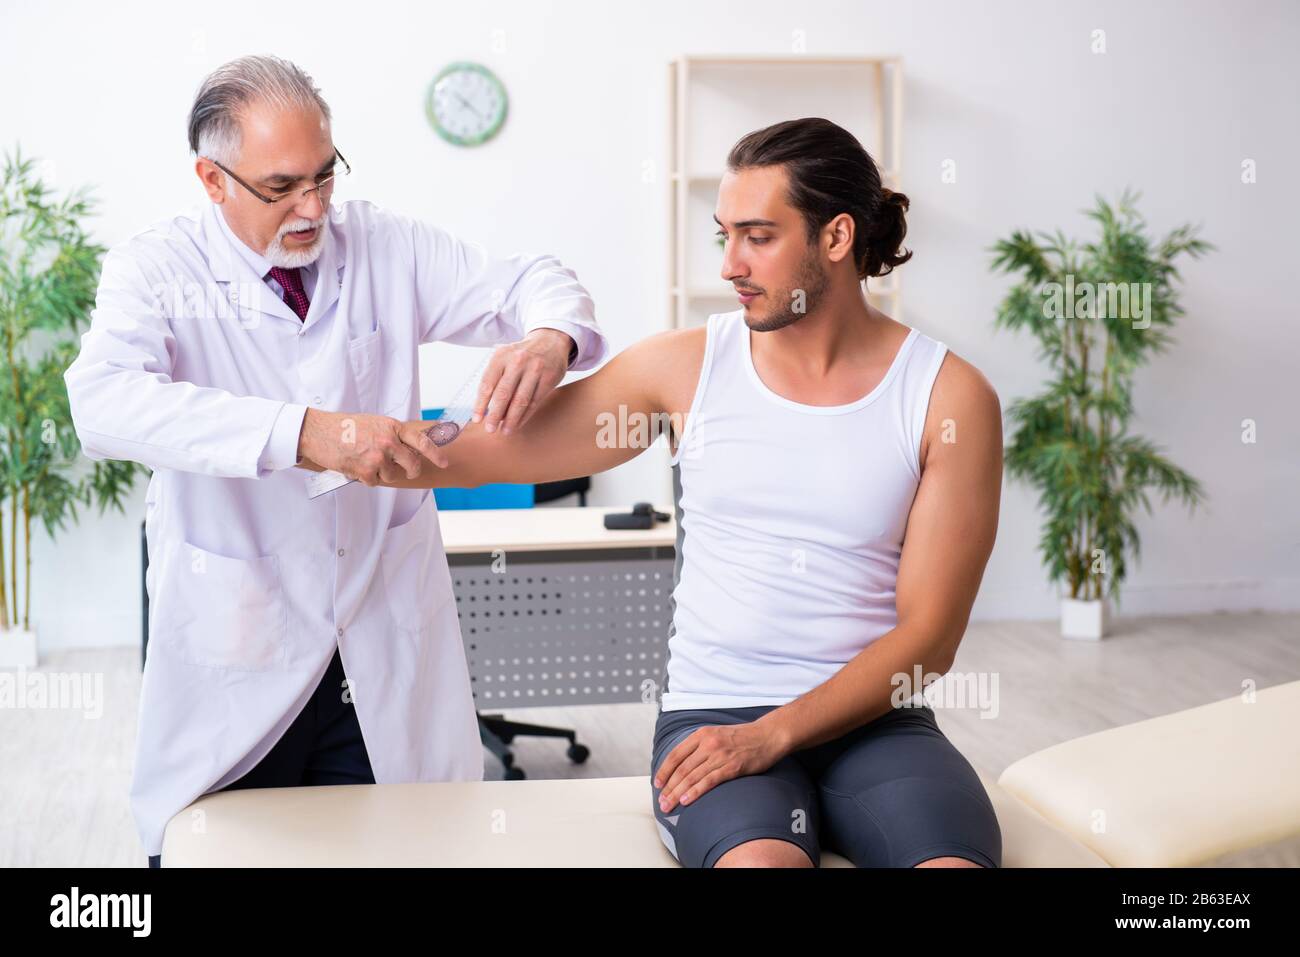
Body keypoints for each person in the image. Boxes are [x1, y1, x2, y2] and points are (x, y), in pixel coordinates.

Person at [362, 117, 1005, 868]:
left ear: (836, 237)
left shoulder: (947, 397)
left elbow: (928, 640)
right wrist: (326, 438)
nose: (731, 263)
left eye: (758, 236)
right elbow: (485, 454)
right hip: (714, 712)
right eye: (723, 233)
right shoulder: (685, 369)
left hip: (878, 725)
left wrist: (777, 732)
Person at [63, 55, 609, 867]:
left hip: (381, 637)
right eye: (281, 187)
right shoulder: (158, 269)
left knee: (410, 852)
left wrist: (547, 335)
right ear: (213, 181)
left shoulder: (384, 246)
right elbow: (102, 402)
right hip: (240, 647)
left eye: (325, 175)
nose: (313, 207)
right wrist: (307, 432)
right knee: (229, 850)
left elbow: (533, 279)